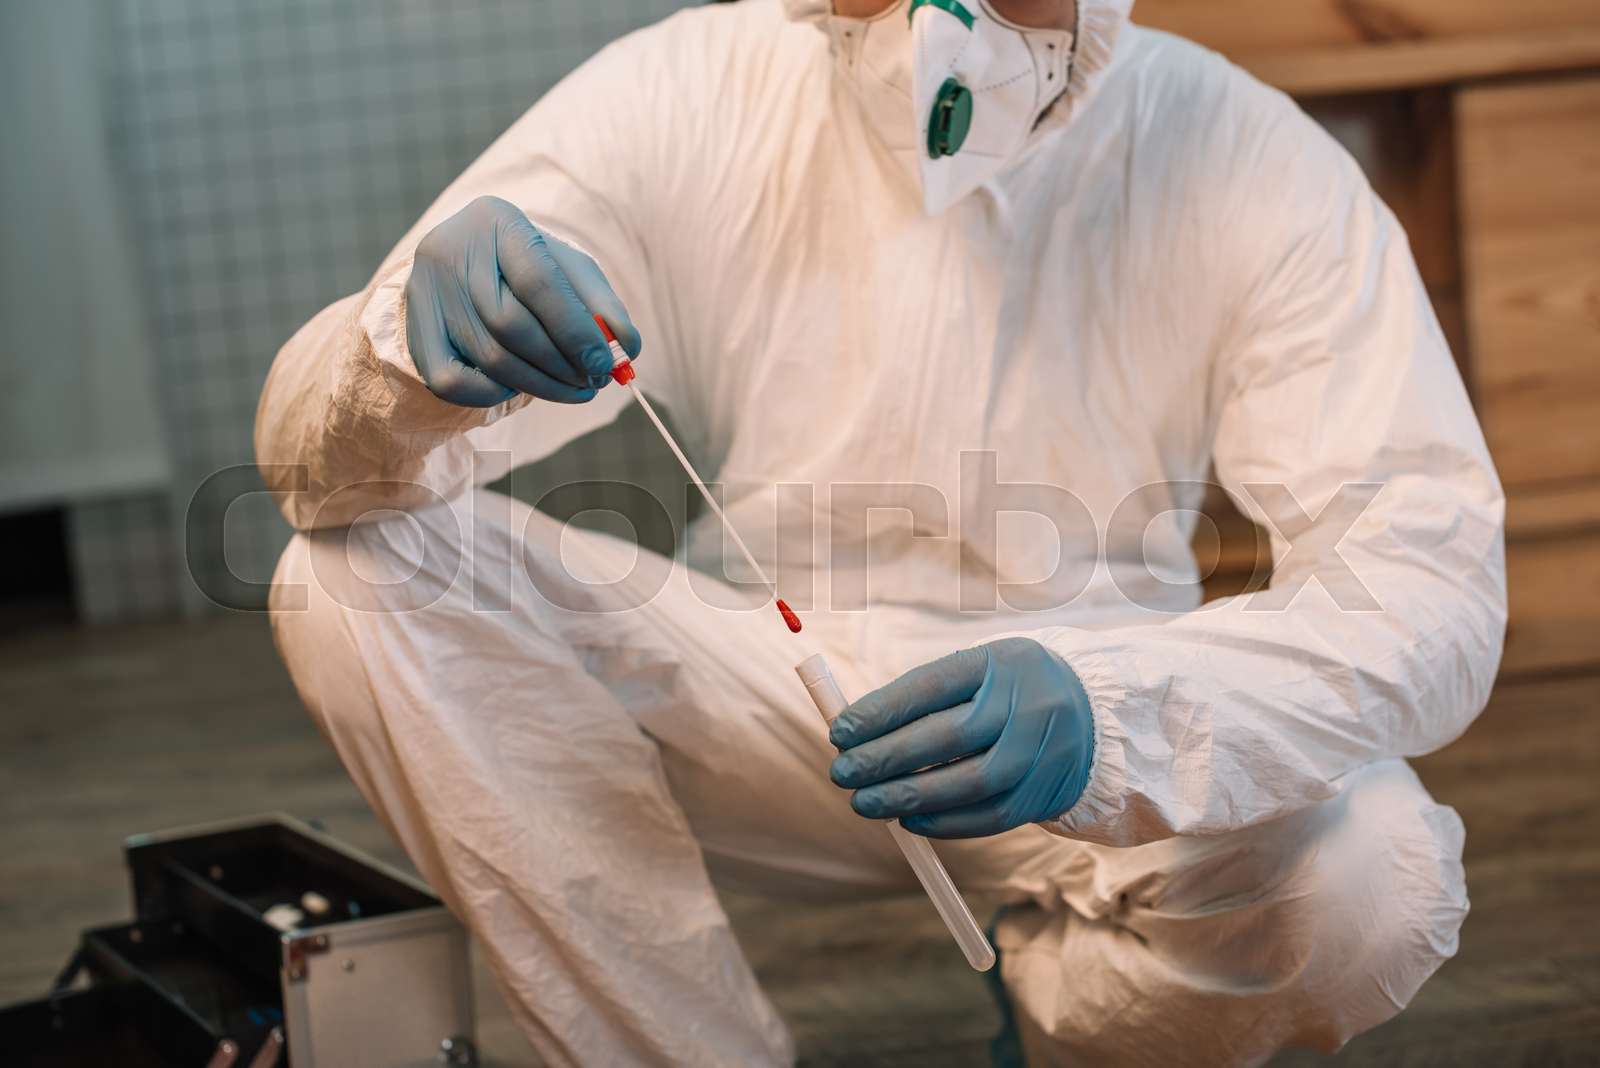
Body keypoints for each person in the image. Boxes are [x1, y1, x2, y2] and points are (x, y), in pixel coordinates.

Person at [255, 0, 1506, 1063]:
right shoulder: (691, 90)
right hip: (767, 695)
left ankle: (1076, 1009)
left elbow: (1429, 584)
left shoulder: (1246, 156)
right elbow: (314, 478)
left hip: (1088, 735)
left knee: (1370, 884)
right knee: (349, 576)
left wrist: (1125, 709)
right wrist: (402, 365)